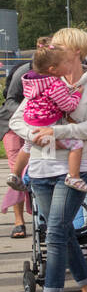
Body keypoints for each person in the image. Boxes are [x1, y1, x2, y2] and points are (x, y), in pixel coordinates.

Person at [8, 27, 87, 292]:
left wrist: (56, 131)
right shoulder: (44, 81)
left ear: (74, 52)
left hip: (73, 169)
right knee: (61, 232)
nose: (50, 50)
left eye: (57, 46)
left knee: (54, 233)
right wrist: (36, 134)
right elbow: (16, 120)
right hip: (40, 168)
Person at [6, 44, 87, 193]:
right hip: (47, 125)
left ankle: (15, 174)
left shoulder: (32, 81)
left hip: (31, 122)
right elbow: (68, 106)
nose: (68, 65)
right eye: (65, 63)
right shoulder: (55, 85)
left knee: (27, 146)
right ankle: (74, 177)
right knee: (77, 144)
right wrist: (77, 94)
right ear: (53, 69)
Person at [1, 47, 37, 238]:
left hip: (38, 126)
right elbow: (10, 101)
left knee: (37, 170)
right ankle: (18, 220)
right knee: (18, 171)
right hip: (13, 125)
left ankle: (41, 217)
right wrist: (32, 110)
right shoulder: (23, 72)